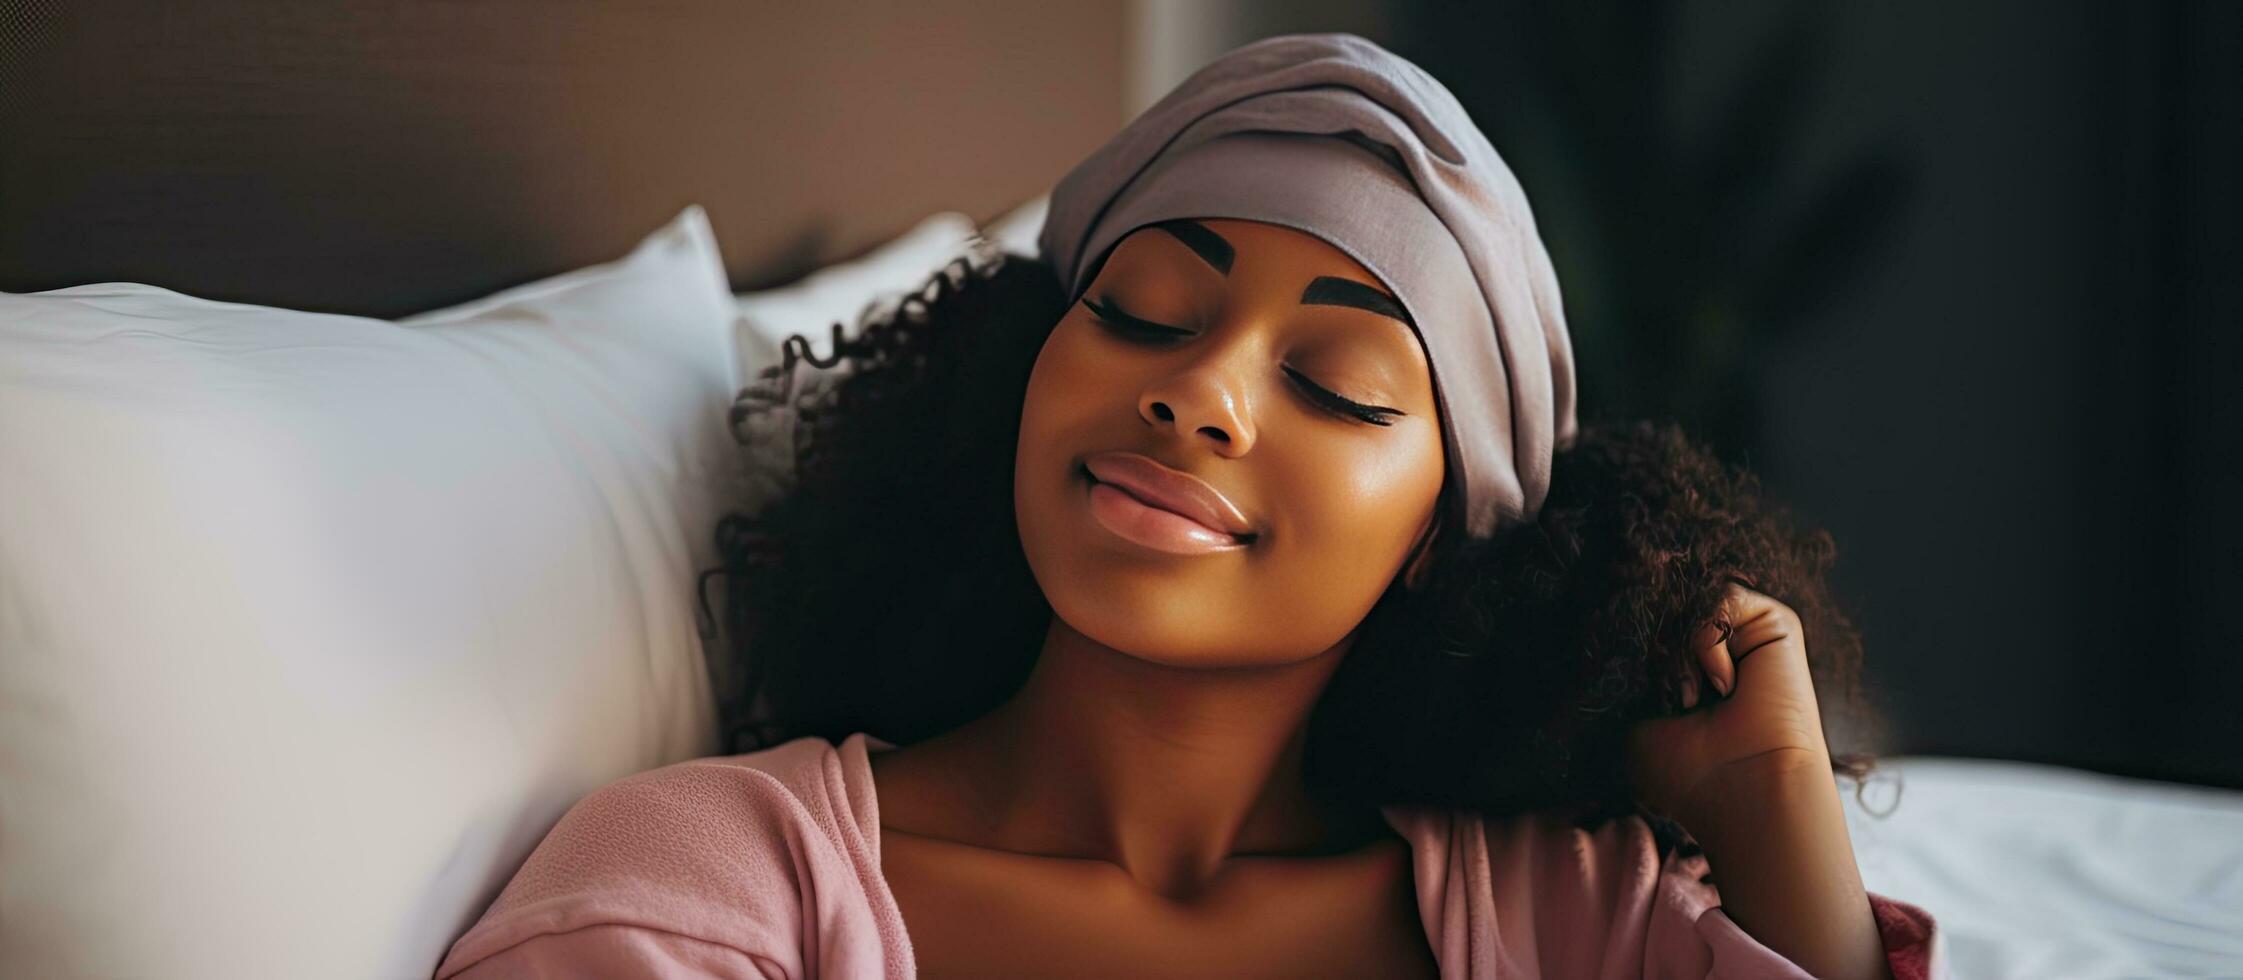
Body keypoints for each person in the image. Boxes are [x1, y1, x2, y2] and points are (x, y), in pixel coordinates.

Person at [435, 33, 1944, 979]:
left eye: (1342, 384)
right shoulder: (705, 891)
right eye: (1145, 312)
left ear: (1441, 537)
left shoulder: (1575, 919)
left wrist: (1768, 810)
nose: (1201, 393)